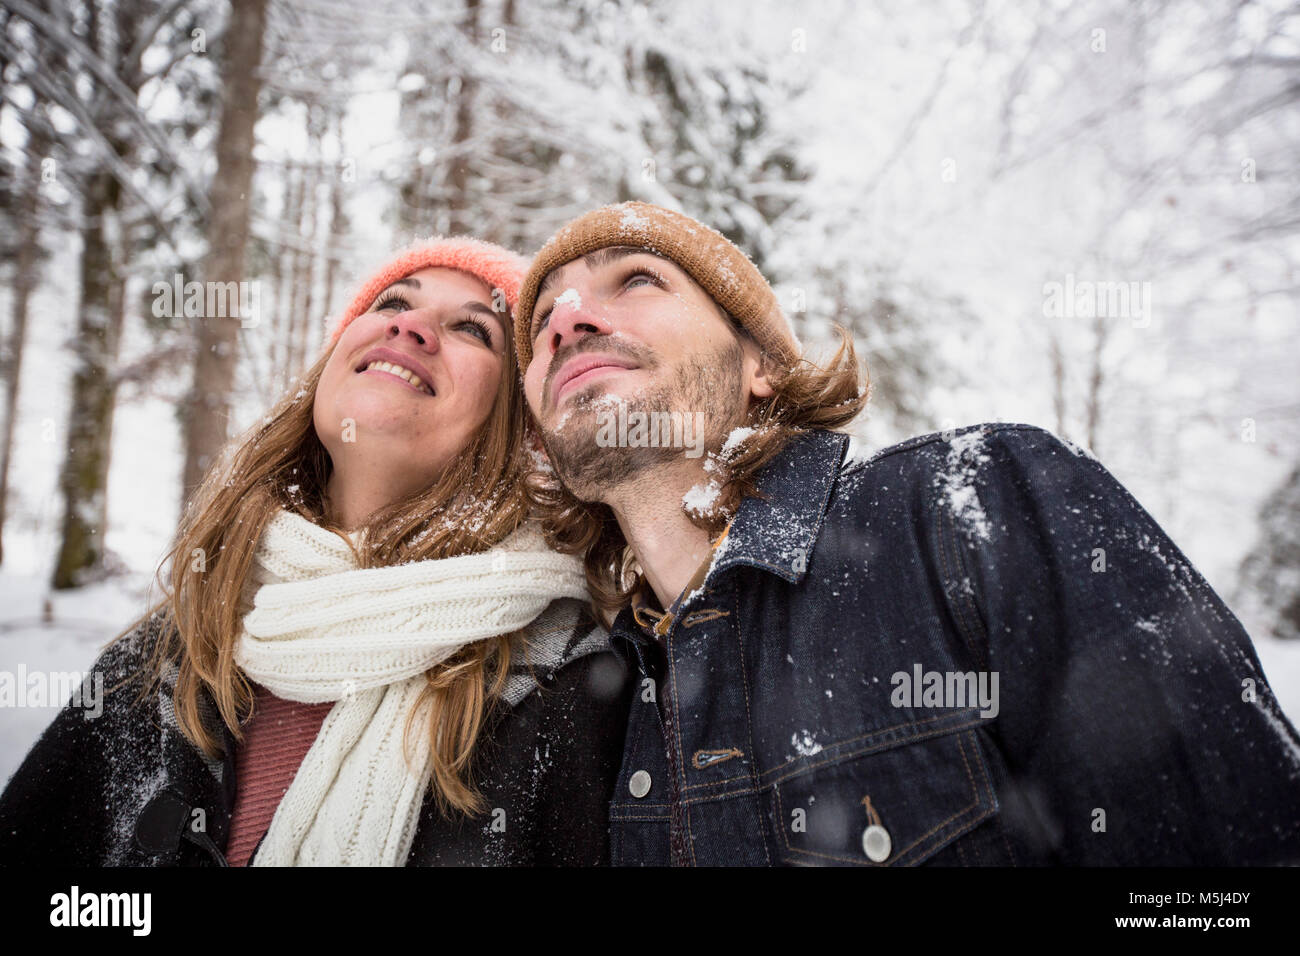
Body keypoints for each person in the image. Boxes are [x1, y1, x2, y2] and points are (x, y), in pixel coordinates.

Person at [514, 200, 1300, 866]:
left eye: (637, 279)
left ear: (760, 363)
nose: (568, 322)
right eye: (543, 318)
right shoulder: (592, 693)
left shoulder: (980, 503)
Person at [0, 237, 631, 866]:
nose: (409, 326)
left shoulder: (563, 684)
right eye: (391, 303)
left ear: (523, 428)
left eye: (473, 327)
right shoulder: (170, 654)